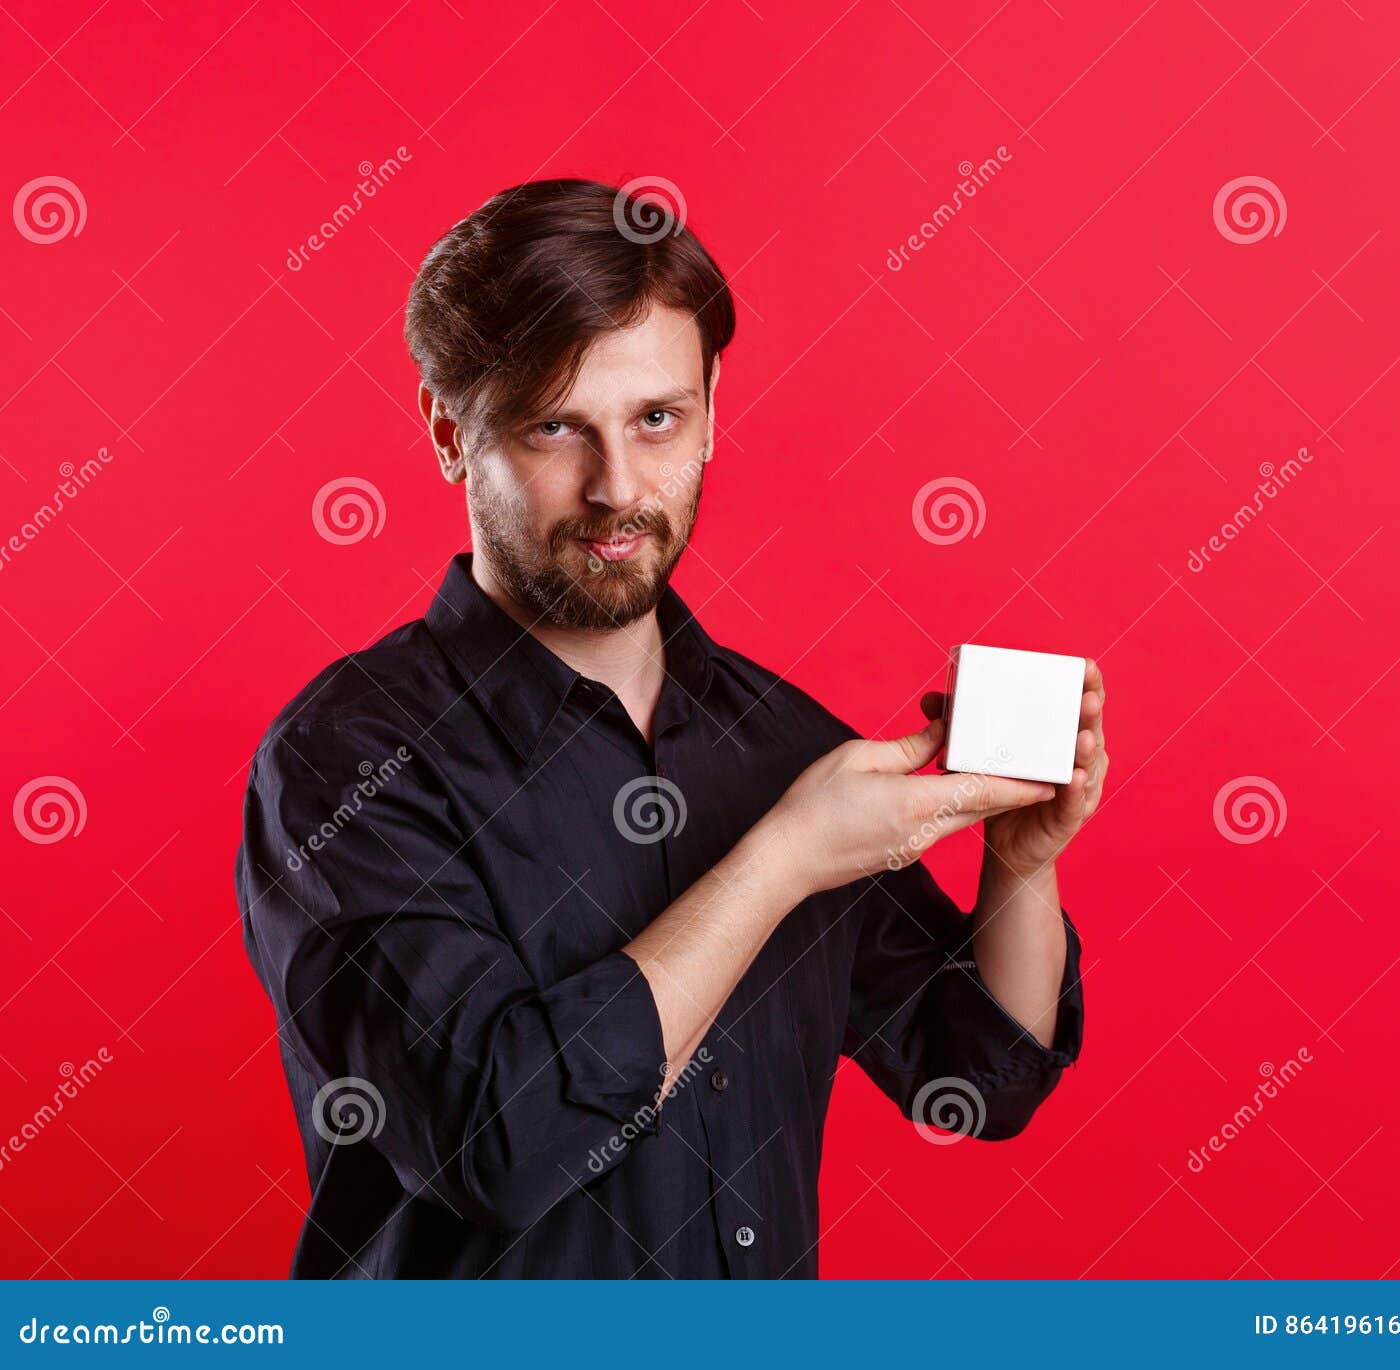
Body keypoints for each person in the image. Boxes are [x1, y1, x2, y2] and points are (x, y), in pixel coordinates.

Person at [235, 178, 1107, 1279]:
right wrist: (781, 860)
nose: (618, 487)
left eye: (658, 418)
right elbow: (498, 1142)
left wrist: (1021, 867)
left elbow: (980, 1076)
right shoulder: (343, 761)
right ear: (450, 430)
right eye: (556, 426)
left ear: (710, 408)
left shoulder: (780, 743)